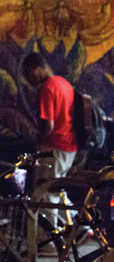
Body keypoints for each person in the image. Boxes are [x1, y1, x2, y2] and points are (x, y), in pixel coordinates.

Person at [21, 53, 78, 226]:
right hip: (69, 147)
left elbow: (49, 125)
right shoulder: (64, 83)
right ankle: (81, 225)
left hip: (53, 147)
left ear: (37, 69)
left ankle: (49, 238)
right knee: (56, 191)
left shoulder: (47, 88)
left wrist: (39, 141)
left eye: (28, 73)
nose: (28, 79)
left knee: (45, 194)